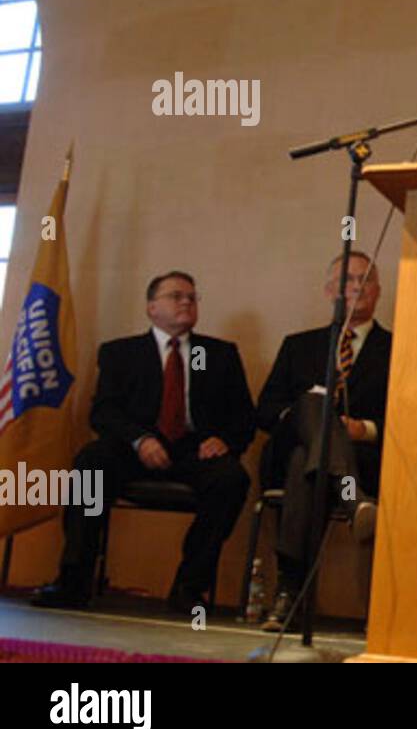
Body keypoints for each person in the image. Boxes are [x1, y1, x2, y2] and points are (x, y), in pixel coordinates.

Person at [32, 271, 255, 613]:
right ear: (152, 307)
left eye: (192, 297)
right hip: (132, 449)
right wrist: (140, 439)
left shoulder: (219, 354)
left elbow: (243, 417)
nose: (186, 302)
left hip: (194, 451)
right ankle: (73, 581)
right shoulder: (121, 352)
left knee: (231, 479)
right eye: (176, 296)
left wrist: (223, 440)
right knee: (90, 463)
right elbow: (103, 412)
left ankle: (189, 589)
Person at [254, 252, 392, 632]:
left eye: (365, 280)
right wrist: (308, 417)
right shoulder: (298, 345)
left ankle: (287, 592)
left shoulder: (399, 349)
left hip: (362, 458)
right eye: (347, 281)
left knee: (306, 464)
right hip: (294, 448)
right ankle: (353, 501)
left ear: (378, 292)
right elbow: (265, 410)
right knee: (313, 404)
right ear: (329, 291)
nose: (356, 287)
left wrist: (362, 429)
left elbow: (407, 418)